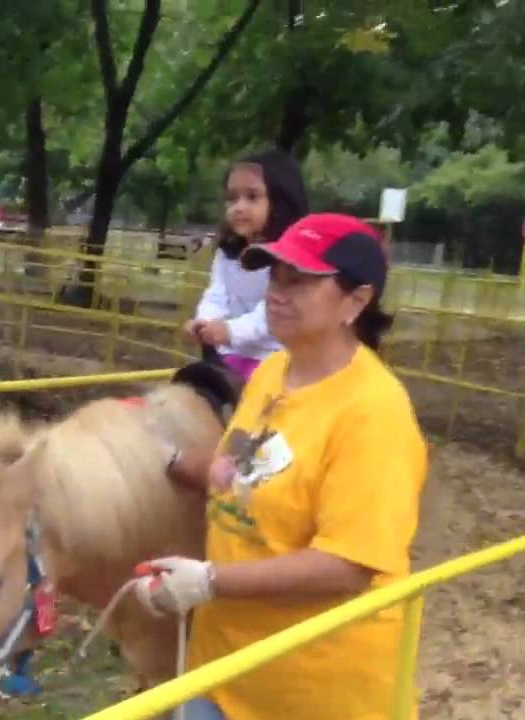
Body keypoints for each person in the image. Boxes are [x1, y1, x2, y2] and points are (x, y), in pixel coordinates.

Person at [155, 213, 429, 720]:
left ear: (357, 301)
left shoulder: (374, 413)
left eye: (300, 281)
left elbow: (346, 565)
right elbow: (233, 474)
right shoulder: (273, 373)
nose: (278, 293)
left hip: (315, 694)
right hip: (222, 671)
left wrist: (210, 581)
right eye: (276, 277)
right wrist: (163, 458)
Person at [183, 148, 308, 381]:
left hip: (275, 360)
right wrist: (204, 323)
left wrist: (230, 331)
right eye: (232, 198)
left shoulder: (289, 259)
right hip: (228, 354)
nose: (238, 207)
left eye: (252, 197)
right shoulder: (228, 252)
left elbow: (271, 313)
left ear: (280, 201)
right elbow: (217, 294)